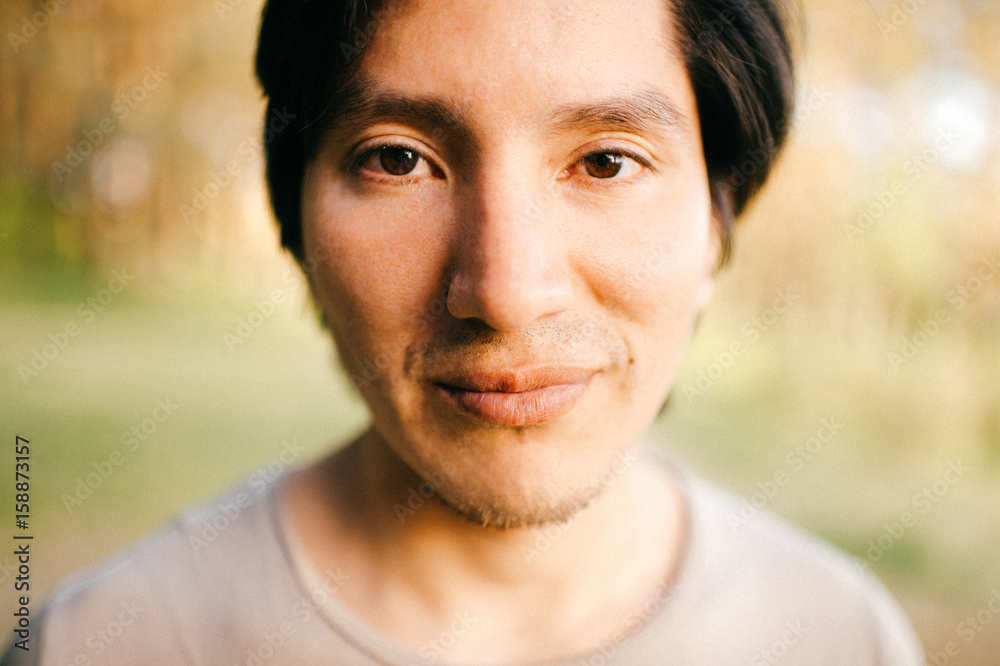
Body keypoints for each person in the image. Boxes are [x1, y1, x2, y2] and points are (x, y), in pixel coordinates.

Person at [4, 0, 926, 663]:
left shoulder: (843, 637)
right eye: (400, 159)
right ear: (297, 228)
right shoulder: (106, 643)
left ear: (718, 221)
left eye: (606, 161)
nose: (506, 291)